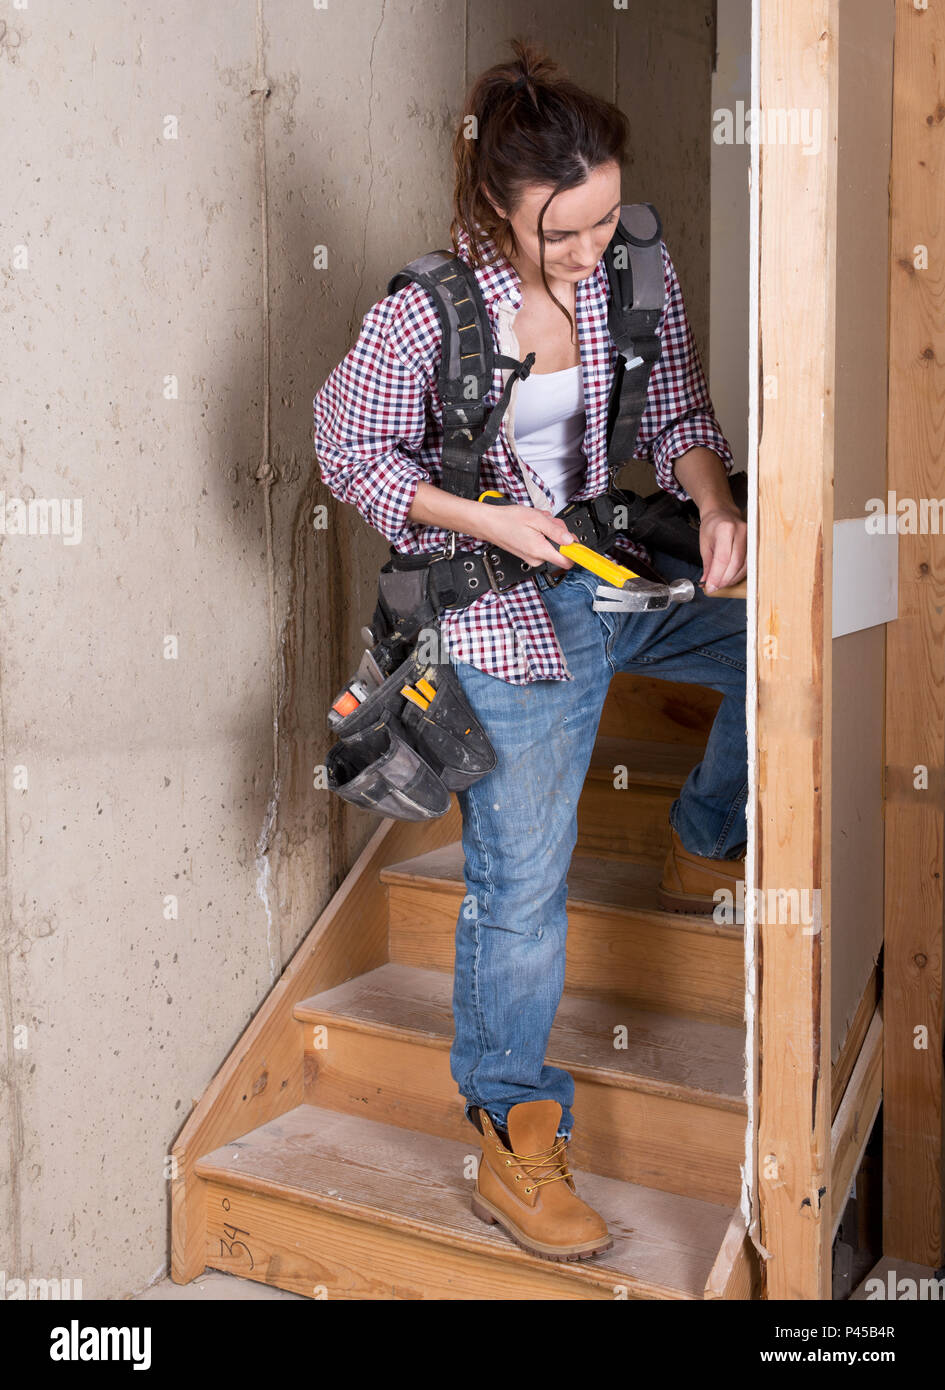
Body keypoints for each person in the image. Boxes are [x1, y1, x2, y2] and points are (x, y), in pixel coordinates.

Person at [313, 38, 748, 1263]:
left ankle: (705, 841)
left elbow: (679, 417)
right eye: (560, 234)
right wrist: (490, 516)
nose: (588, 250)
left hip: (613, 567)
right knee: (520, 883)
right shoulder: (426, 316)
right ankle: (512, 1130)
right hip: (503, 608)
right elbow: (349, 453)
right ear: (489, 208)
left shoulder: (628, 272)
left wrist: (713, 507)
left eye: (604, 221)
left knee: (777, 646)